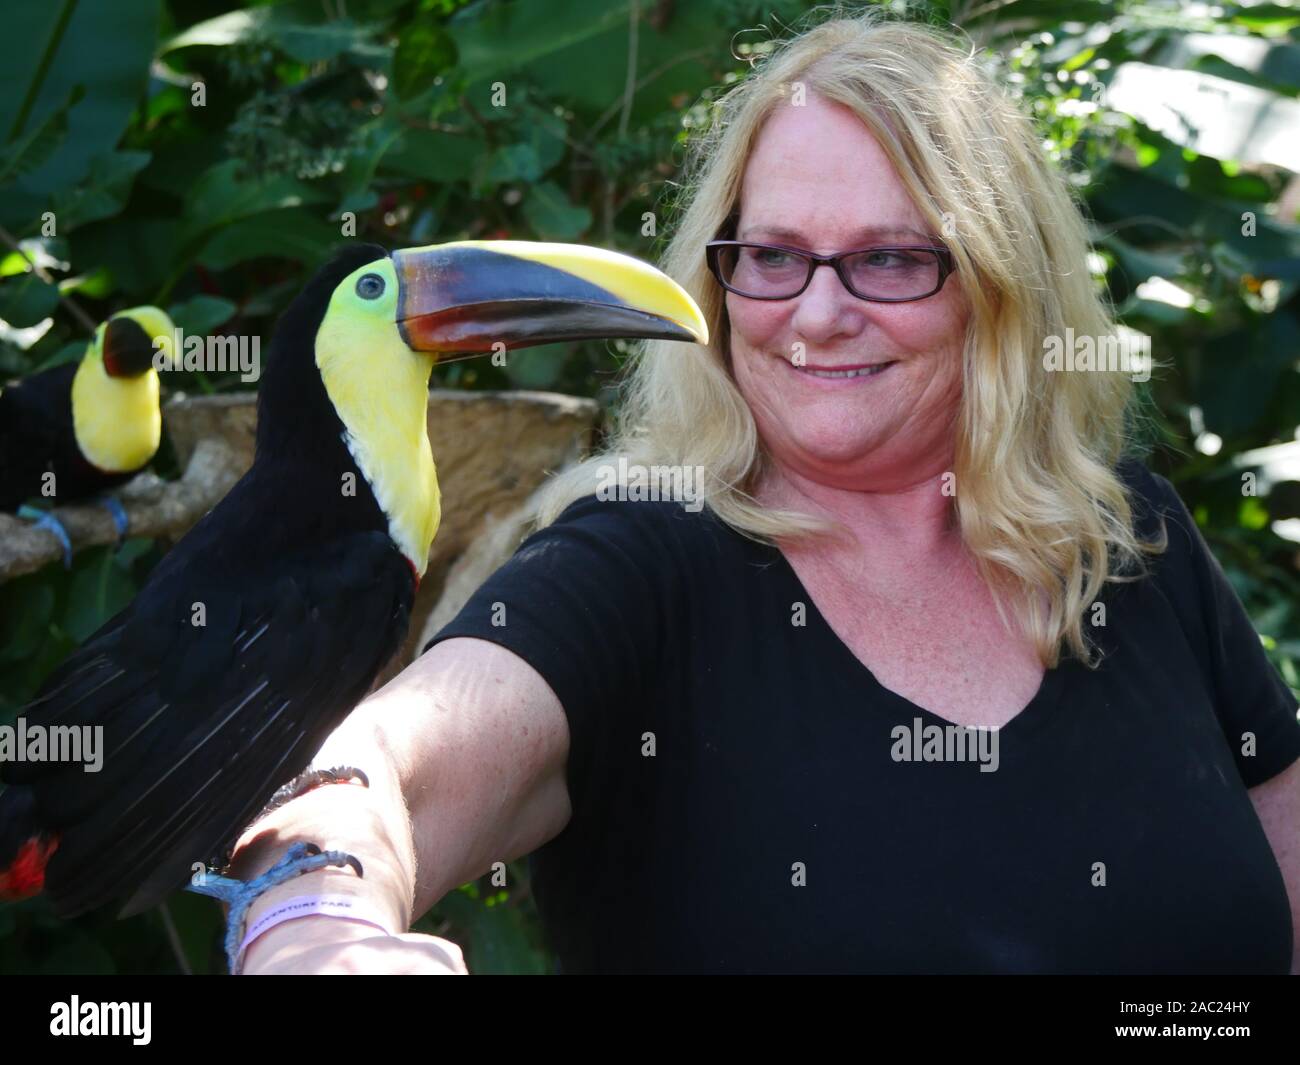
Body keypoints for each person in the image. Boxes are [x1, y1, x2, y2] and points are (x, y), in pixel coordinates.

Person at [225, 9, 1300, 975]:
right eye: (771, 257)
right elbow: (395, 764)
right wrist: (314, 921)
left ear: (998, 291)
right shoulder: (641, 564)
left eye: (887, 260)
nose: (816, 314)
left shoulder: (1126, 534)